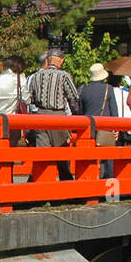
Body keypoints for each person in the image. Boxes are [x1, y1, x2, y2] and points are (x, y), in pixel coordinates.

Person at [26, 46, 79, 181]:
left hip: (40, 116)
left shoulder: (36, 76)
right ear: (61, 60)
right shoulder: (64, 76)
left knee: (42, 154)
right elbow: (74, 96)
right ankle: (66, 184)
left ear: (48, 60)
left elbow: (28, 97)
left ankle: (41, 186)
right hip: (58, 117)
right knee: (61, 153)